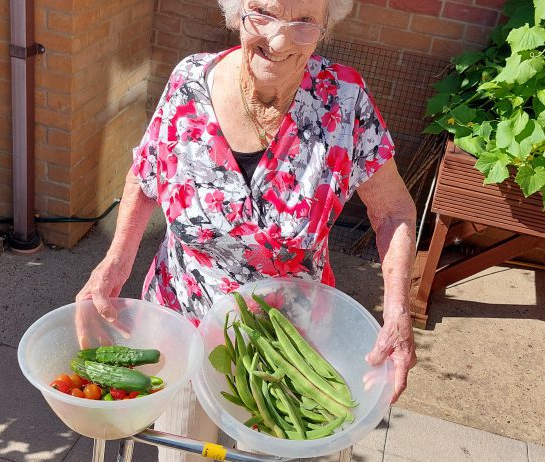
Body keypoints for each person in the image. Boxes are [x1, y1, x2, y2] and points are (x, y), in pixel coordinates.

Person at [76, 0, 417, 459]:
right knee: (181, 452)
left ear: (324, 29)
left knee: (272, 452)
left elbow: (393, 211)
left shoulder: (346, 100)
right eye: (263, 13)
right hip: (184, 322)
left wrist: (397, 312)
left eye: (303, 24)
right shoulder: (189, 81)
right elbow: (147, 169)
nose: (278, 40)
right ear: (237, 11)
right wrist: (115, 261)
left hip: (288, 341)